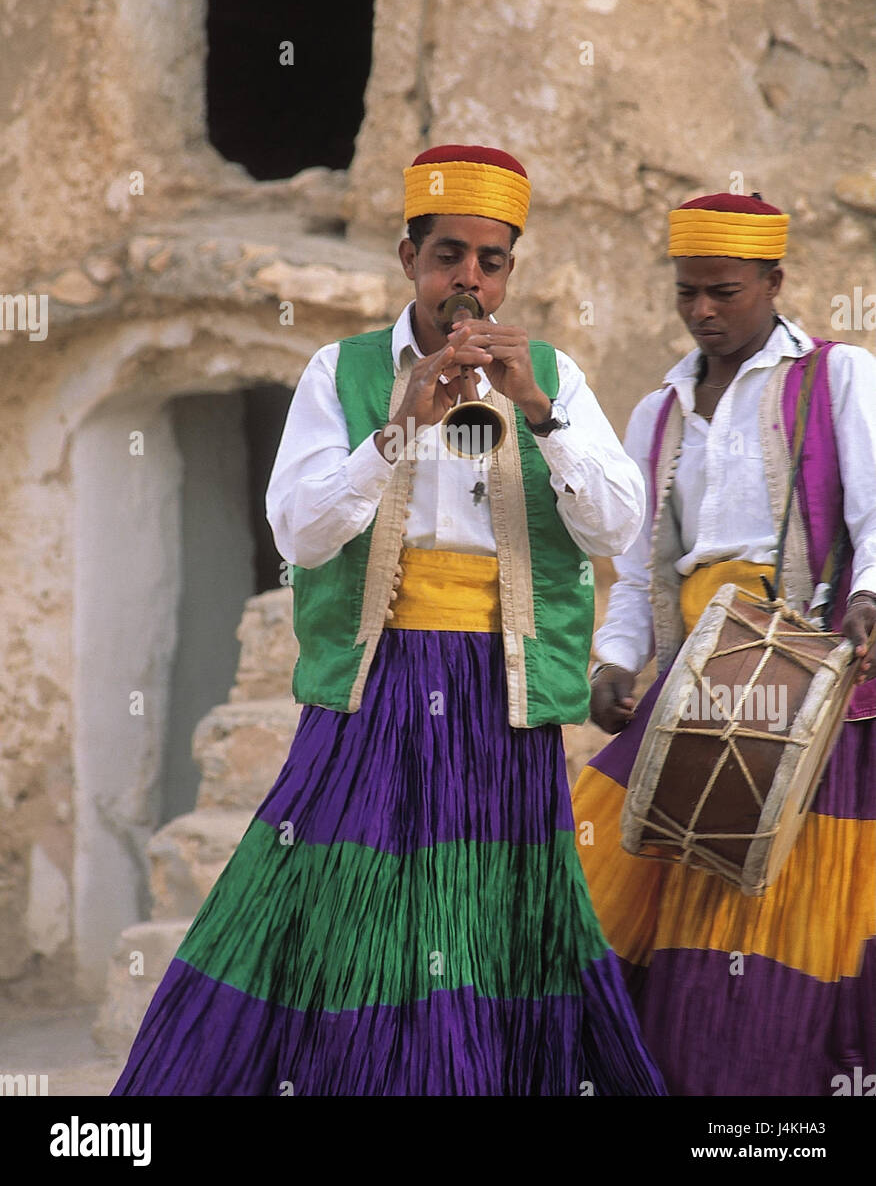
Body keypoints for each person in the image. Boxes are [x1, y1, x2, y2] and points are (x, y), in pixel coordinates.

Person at [112, 143, 664, 1096]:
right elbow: (300, 532)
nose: (469, 281)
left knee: (484, 911)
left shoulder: (553, 377)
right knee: (326, 894)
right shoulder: (343, 370)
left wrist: (539, 410)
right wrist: (399, 427)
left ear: (509, 274)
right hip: (377, 688)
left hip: (501, 693)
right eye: (450, 256)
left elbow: (617, 524)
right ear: (410, 261)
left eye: (491, 262)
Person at [572, 191, 876, 1097]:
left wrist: (867, 599)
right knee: (591, 886)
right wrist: (614, 665)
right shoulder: (656, 410)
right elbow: (637, 570)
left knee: (782, 925)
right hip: (692, 677)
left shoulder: (839, 376)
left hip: (805, 675)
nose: (703, 311)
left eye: (725, 292)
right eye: (688, 293)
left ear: (776, 283)